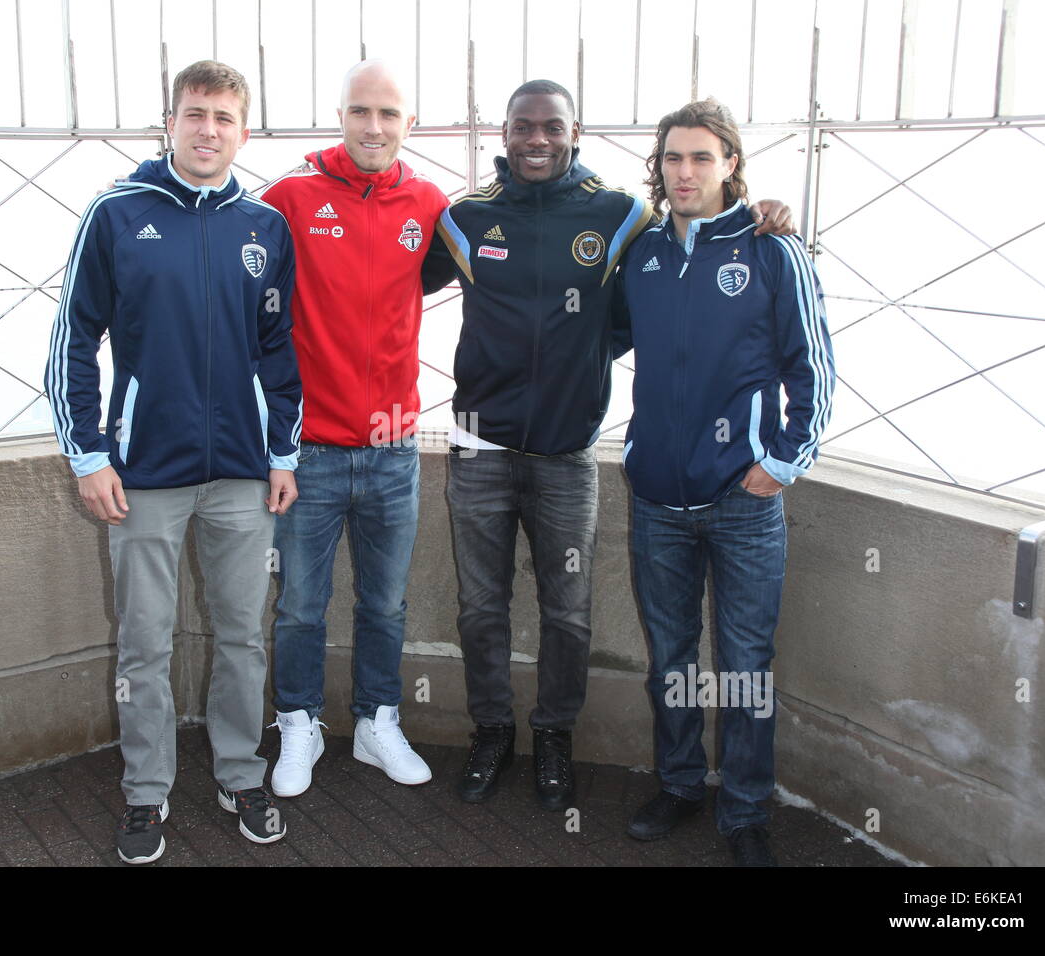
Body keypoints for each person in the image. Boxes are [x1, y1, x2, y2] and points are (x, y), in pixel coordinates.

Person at [425, 80, 794, 811]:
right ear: (503, 133)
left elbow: (678, 262)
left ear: (575, 131)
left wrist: (766, 213)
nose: (537, 139)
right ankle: (492, 730)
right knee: (480, 608)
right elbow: (389, 272)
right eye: (523, 127)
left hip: (567, 456)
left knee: (567, 611)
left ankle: (554, 734)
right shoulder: (464, 219)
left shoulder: (621, 213)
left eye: (551, 127)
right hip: (477, 451)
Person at [44, 60, 302, 863]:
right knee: (145, 644)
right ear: (171, 121)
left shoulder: (263, 226)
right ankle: (146, 793)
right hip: (144, 475)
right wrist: (89, 454)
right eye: (195, 114)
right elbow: (72, 343)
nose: (208, 130)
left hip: (241, 474)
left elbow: (276, 348)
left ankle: (238, 772)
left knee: (241, 637)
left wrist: (283, 450)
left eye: (224, 118)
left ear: (243, 132)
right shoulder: (116, 214)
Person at [615, 97, 834, 866]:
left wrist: (779, 465)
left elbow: (814, 369)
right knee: (671, 654)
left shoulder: (772, 249)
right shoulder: (640, 254)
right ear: (659, 165)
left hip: (742, 502)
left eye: (702, 157)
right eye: (673, 158)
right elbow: (587, 335)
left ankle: (743, 810)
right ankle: (679, 783)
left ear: (731, 164)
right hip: (656, 499)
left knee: (744, 664)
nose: (685, 172)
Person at [253, 60, 450, 797]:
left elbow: (512, 238)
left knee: (385, 602)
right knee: (301, 605)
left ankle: (376, 722)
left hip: (395, 447)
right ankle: (298, 723)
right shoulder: (291, 197)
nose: (375, 127)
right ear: (339, 115)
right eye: (361, 112)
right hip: (306, 454)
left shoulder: (429, 202)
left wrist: (751, 210)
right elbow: (223, 252)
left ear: (408, 124)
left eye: (389, 115)